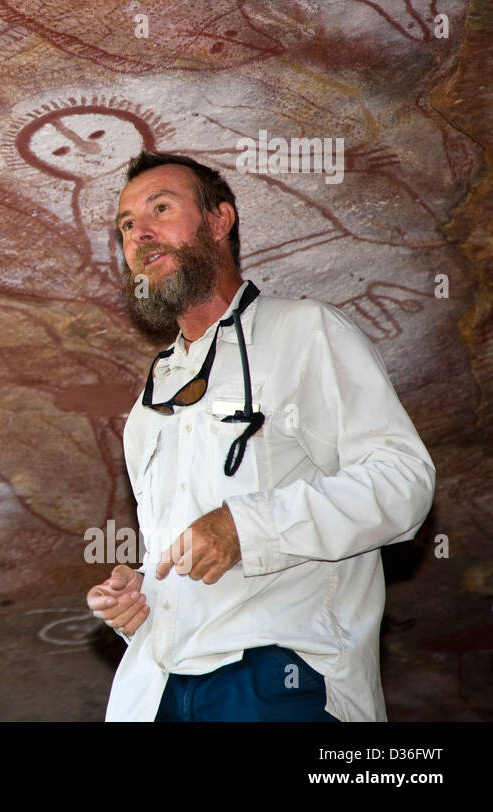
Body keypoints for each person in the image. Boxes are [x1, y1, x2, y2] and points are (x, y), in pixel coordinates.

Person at [86, 150, 435, 721]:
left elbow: (404, 483)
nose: (139, 233)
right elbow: (187, 560)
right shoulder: (148, 410)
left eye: (161, 208)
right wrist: (141, 601)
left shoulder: (304, 330)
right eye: (126, 225)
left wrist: (245, 525)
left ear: (220, 221)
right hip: (156, 692)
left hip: (280, 679)